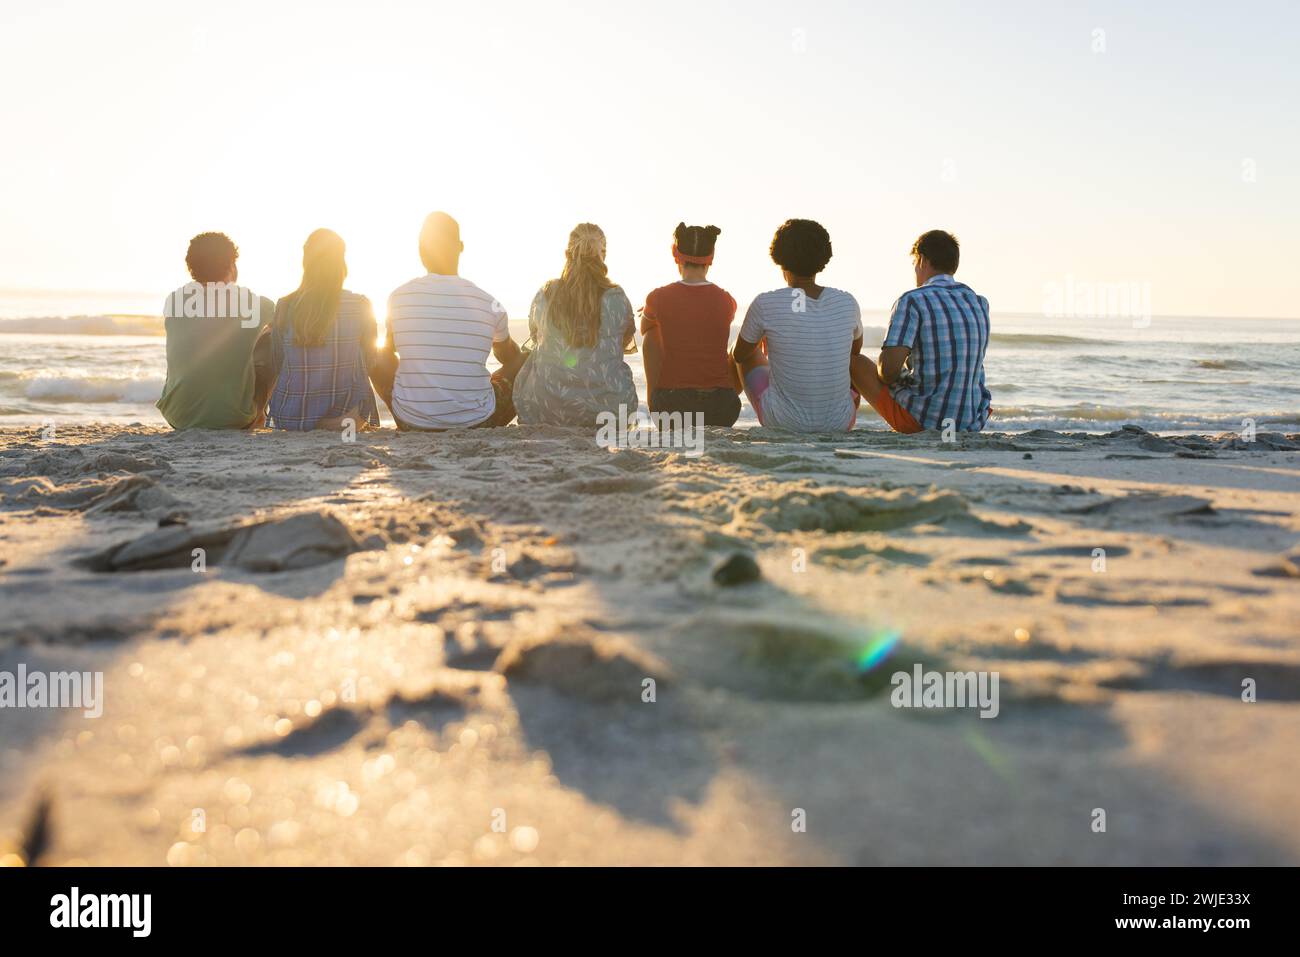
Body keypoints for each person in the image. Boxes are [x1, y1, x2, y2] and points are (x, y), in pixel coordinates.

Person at [373, 212, 525, 430]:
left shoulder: (398, 298)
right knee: (525, 361)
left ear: (420, 251)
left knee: (378, 355)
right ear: (460, 247)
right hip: (480, 423)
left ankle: (413, 410)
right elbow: (509, 356)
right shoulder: (490, 303)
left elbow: (388, 352)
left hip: (411, 422)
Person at [850, 230, 991, 433]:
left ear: (922, 260)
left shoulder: (912, 300)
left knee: (855, 362)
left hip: (925, 421)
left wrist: (898, 372)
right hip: (970, 421)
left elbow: (887, 372)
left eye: (915, 264)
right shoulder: (979, 302)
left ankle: (839, 421)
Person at [732, 219, 863, 432]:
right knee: (855, 360)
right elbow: (854, 353)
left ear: (779, 258)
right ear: (824, 257)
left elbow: (740, 355)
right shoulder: (847, 301)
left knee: (738, 351)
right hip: (841, 422)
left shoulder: (765, 303)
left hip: (783, 422)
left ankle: (720, 414)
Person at [513, 223, 638, 426]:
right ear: (603, 255)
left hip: (545, 411)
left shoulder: (546, 294)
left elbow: (537, 338)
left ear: (566, 254)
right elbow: (623, 343)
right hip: (610, 413)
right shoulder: (616, 297)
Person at [157, 232, 275, 430]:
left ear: (191, 268)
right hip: (234, 417)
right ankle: (259, 414)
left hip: (178, 416)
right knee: (272, 339)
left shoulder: (175, 300)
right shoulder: (254, 304)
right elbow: (282, 325)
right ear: (231, 265)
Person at [267, 229, 381, 431]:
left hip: (290, 418)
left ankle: (305, 418)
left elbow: (277, 363)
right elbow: (371, 361)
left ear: (305, 263)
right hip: (347, 418)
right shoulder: (361, 305)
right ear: (342, 264)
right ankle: (328, 421)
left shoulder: (285, 305)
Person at [640, 223, 742, 427]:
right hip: (722, 407)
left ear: (676, 255)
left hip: (673, 406)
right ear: (711, 258)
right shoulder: (727, 300)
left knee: (652, 333)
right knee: (735, 348)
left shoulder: (657, 297)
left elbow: (645, 328)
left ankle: (653, 402)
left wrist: (650, 312)